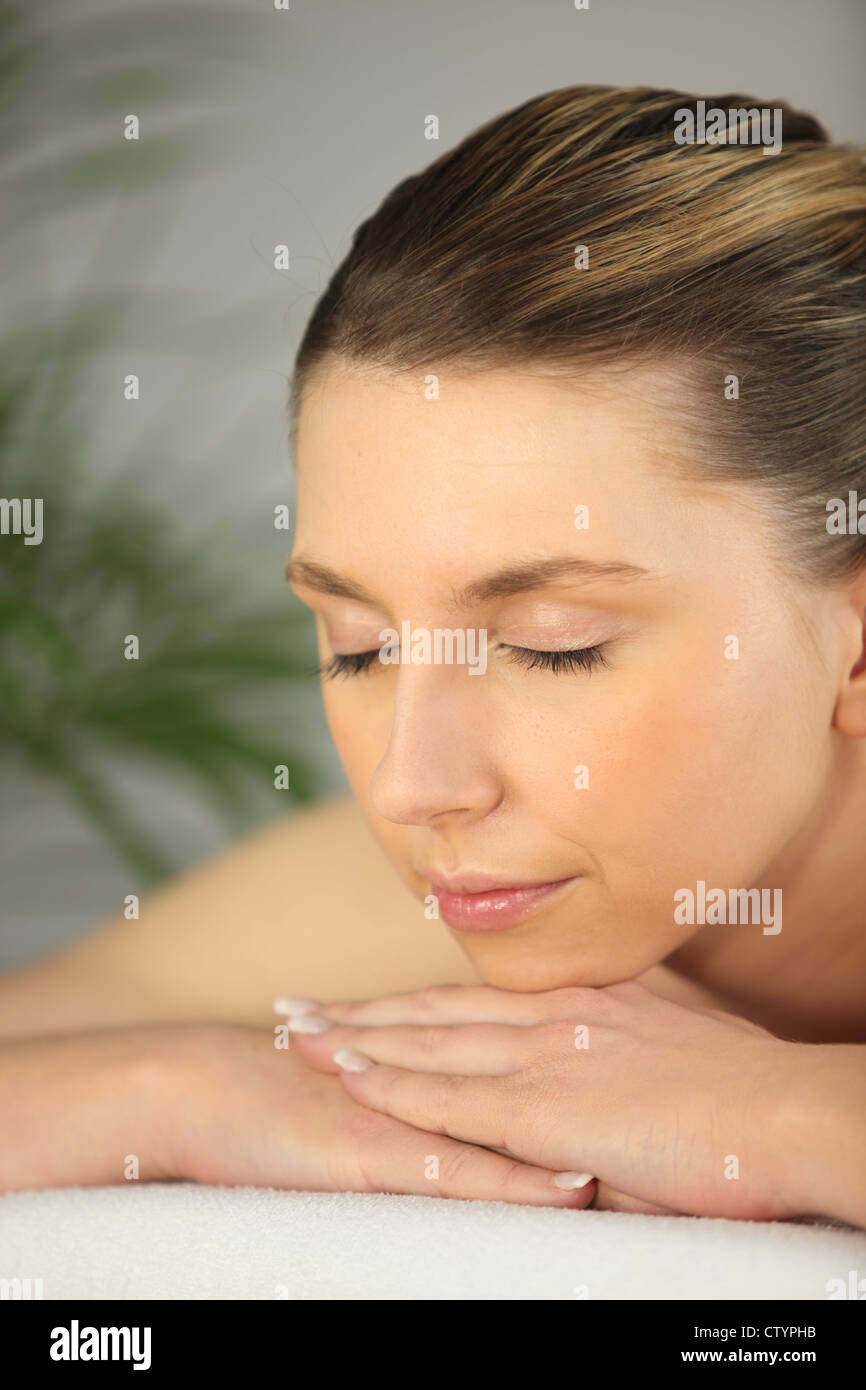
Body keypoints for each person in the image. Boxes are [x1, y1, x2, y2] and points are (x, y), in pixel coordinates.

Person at [2, 85, 864, 1222]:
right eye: (359, 647)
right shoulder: (421, 904)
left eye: (550, 648)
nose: (416, 786)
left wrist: (787, 1114)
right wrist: (169, 1088)